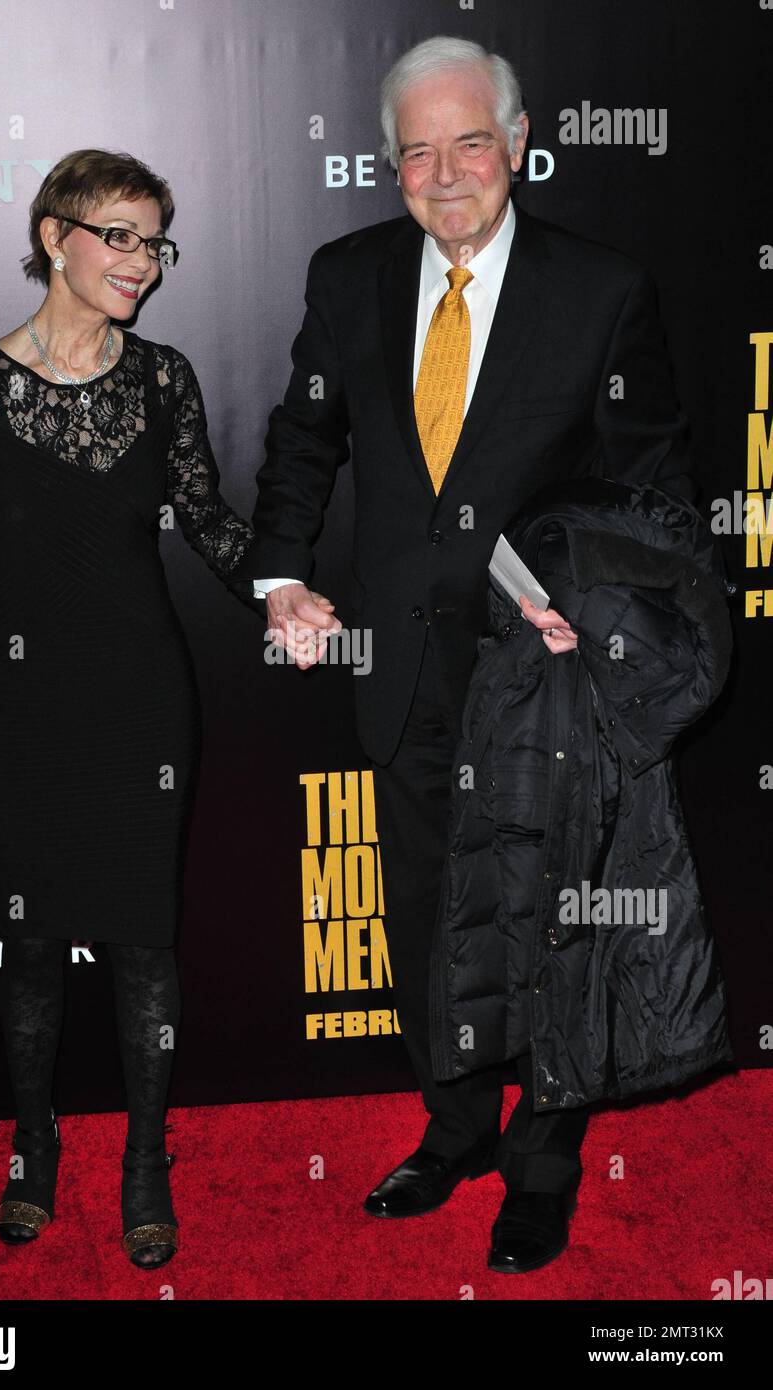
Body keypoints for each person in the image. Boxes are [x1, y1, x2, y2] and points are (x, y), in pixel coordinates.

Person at [236, 37, 697, 1271]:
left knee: (549, 922)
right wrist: (281, 578)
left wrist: (595, 612)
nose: (445, 175)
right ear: (392, 166)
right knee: (428, 914)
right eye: (417, 152)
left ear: (519, 139)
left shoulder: (599, 288)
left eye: (469, 142)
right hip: (401, 671)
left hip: (542, 679)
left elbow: (652, 488)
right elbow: (302, 444)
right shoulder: (349, 278)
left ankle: (544, 1164)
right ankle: (454, 1130)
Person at [0, 148, 261, 1270]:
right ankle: (33, 1147)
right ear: (55, 234)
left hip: (141, 706)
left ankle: (147, 1161)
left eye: (155, 241)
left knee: (144, 948)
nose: (143, 263)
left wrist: (282, 584)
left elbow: (207, 520)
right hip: (15, 711)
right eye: (120, 234)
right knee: (26, 946)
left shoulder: (163, 380)